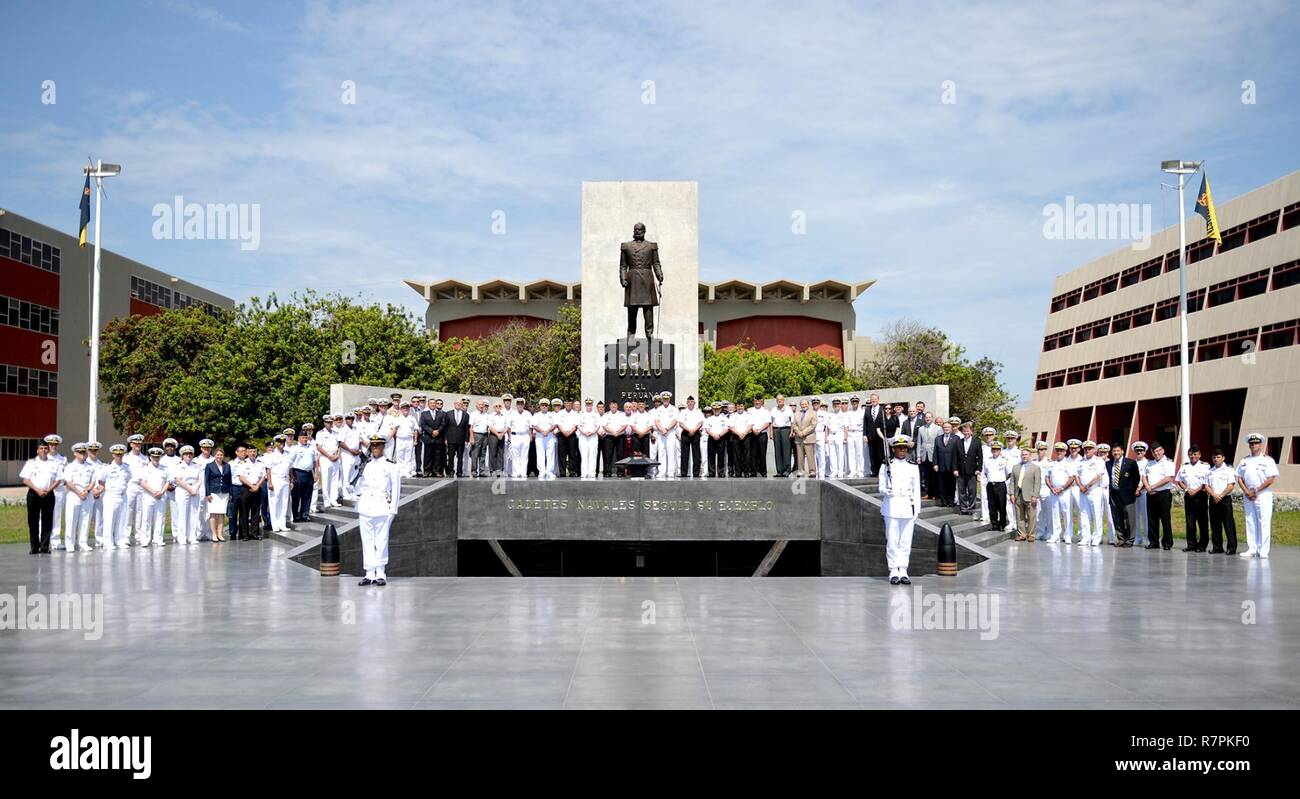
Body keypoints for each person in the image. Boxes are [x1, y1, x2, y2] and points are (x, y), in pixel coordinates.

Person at [355, 434, 402, 586]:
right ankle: (369, 572)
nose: (375, 448)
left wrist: (393, 510)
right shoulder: (367, 464)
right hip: (366, 505)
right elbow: (360, 485)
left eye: (378, 446)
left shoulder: (391, 465)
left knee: (381, 540)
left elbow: (396, 489)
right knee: (367, 541)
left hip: (382, 506)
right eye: (373, 446)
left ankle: (380, 572)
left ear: (383, 447)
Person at [880, 434, 921, 585]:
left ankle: (903, 569)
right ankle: (893, 570)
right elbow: (881, 486)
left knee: (905, 541)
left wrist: (917, 510)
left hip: (907, 507)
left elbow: (916, 490)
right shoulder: (886, 465)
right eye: (899, 448)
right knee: (892, 540)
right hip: (891, 506)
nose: (902, 450)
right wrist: (886, 491)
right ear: (893, 449)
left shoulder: (913, 466)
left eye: (904, 447)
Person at [1236, 432, 1278, 558]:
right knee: (1250, 520)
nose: (1254, 445)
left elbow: (1271, 479)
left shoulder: (1267, 460)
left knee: (1263, 521)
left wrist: (1256, 491)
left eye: (1256, 443)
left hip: (1263, 494)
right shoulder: (1244, 461)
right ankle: (1252, 548)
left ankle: (1263, 550)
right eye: (1252, 443)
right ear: (1249, 445)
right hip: (1248, 494)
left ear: (1260, 444)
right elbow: (1239, 477)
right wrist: (1246, 491)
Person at [21, 440, 61, 554]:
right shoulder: (31, 463)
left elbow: (58, 479)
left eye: (45, 448)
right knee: (33, 521)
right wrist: (37, 490)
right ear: (37, 450)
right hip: (34, 494)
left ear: (48, 450)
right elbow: (25, 479)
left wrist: (49, 489)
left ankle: (44, 547)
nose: (44, 450)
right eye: (41, 448)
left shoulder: (54, 463)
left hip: (48, 494)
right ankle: (34, 547)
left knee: (47, 521)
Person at [1175, 444, 1211, 553]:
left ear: (1199, 455)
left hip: (1201, 495)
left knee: (1202, 521)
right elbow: (1179, 480)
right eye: (1191, 454)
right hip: (1189, 495)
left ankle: (1202, 545)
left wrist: (1197, 490)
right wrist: (1187, 489)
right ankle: (1191, 544)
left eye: (1195, 454)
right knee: (1190, 522)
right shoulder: (1184, 466)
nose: (1193, 456)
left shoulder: (1206, 466)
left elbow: (1207, 482)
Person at [61, 442, 96, 552]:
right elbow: (68, 481)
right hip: (73, 495)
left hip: (87, 496)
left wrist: (87, 490)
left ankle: (83, 543)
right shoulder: (70, 467)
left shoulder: (90, 467)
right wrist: (78, 492)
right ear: (75, 453)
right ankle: (70, 543)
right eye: (80, 452)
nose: (83, 454)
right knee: (71, 520)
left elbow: (93, 481)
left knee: (85, 520)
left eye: (84, 452)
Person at [96, 444, 132, 549]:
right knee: (109, 520)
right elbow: (101, 481)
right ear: (113, 455)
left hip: (123, 495)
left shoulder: (127, 468)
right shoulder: (107, 468)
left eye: (121, 454)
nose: (119, 456)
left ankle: (119, 540)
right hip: (111, 496)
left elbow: (128, 479)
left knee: (122, 519)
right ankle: (108, 542)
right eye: (117, 454)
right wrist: (99, 491)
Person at [1106, 441, 1141, 547]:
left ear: (1122, 451)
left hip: (1127, 495)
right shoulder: (1109, 463)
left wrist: (1132, 490)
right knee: (1117, 517)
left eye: (1118, 450)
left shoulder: (1130, 463)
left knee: (1130, 518)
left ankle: (1130, 540)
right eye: (1114, 451)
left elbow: (1136, 478)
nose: (1116, 453)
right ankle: (1121, 538)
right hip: (1114, 494)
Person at [1142, 442, 1175, 551]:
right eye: (1154, 452)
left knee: (1165, 519)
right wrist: (1147, 487)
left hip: (1163, 494)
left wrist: (1153, 487)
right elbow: (1144, 476)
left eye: (1158, 451)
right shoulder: (1149, 463)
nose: (1156, 453)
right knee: (1151, 519)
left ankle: (1167, 543)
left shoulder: (1169, 462)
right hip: (1150, 494)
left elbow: (1168, 478)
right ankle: (1153, 542)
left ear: (1162, 451)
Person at [1206, 448, 1238, 555]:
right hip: (1213, 499)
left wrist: (1220, 495)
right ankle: (1217, 547)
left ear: (1223, 458)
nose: (1216, 459)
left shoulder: (1229, 470)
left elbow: (1231, 485)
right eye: (1214, 457)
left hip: (1224, 500)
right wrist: (1214, 495)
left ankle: (1232, 547)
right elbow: (1207, 486)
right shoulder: (1210, 471)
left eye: (1218, 457)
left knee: (1228, 524)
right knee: (1215, 525)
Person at [136, 447, 169, 547]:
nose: (156, 459)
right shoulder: (145, 468)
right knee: (146, 518)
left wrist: (162, 492)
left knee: (160, 518)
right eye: (154, 457)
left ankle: (158, 539)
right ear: (150, 457)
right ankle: (145, 539)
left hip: (161, 496)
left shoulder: (164, 468)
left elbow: (168, 481)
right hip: (148, 496)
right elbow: (142, 482)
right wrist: (153, 492)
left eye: (157, 457)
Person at [1077, 441, 1106, 546]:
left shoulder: (1099, 461)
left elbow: (1098, 476)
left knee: (1097, 514)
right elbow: (1077, 476)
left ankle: (1097, 537)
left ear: (1094, 450)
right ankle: (1086, 537)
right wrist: (1081, 486)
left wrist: (1087, 486)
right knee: (1084, 514)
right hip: (1083, 491)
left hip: (1094, 490)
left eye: (1090, 448)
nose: (1087, 450)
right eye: (1086, 449)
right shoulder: (1081, 461)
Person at [1043, 442, 1072, 543]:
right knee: (1054, 514)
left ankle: (1068, 535)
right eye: (1058, 450)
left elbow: (1072, 477)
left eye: (1061, 450)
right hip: (1054, 492)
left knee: (1066, 513)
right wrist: (1052, 488)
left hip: (1065, 492)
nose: (1059, 452)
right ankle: (1055, 535)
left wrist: (1062, 488)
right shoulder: (1051, 464)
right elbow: (1046, 477)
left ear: (1065, 452)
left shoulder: (1069, 463)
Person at [1010, 447, 1041, 542]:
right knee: (1020, 516)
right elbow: (1012, 481)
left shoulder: (1035, 468)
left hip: (1030, 496)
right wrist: (1011, 494)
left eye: (1026, 454)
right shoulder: (1015, 467)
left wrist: (1035, 495)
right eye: (1022, 454)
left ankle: (1031, 535)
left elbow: (1037, 483)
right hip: (1018, 494)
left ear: (1030, 456)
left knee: (1031, 516)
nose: (1024, 456)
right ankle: (1021, 534)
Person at [289, 428, 319, 523]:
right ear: (298, 438)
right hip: (298, 473)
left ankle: (305, 515)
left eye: (306, 438)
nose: (305, 439)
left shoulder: (311, 448)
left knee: (307, 495)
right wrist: (292, 476)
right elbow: (290, 463)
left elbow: (315, 462)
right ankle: (296, 515)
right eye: (303, 438)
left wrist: (316, 473)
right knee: (297, 496)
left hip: (308, 473)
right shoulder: (295, 448)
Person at [238, 445, 266, 541]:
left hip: (257, 488)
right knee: (244, 512)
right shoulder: (243, 463)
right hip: (246, 489)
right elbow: (241, 477)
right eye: (251, 451)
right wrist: (251, 486)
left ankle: (254, 533)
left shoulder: (261, 463)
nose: (253, 453)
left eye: (254, 451)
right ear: (247, 453)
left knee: (256, 512)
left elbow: (263, 476)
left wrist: (257, 485)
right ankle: (245, 535)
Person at [204, 448, 233, 543]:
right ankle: (214, 534)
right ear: (214, 455)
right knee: (213, 513)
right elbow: (206, 480)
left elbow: (229, 481)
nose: (219, 456)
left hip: (224, 493)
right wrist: (207, 493)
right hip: (213, 492)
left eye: (221, 455)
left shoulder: (227, 465)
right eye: (217, 455)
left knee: (221, 514)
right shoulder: (209, 466)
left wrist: (230, 493)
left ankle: (220, 534)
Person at [266, 435, 292, 532]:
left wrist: (291, 481)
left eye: (283, 441)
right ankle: (275, 525)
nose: (282, 444)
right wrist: (270, 482)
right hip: (275, 479)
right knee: (275, 502)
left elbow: (290, 468)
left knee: (284, 502)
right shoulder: (272, 455)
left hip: (285, 479)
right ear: (276, 443)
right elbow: (268, 469)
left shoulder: (287, 454)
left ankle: (282, 524)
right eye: (279, 442)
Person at [955, 422, 982, 515]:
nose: (966, 433)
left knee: (972, 490)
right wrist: (955, 469)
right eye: (964, 431)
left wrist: (979, 469)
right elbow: (955, 457)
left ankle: (971, 508)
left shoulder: (977, 442)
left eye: (968, 431)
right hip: (960, 470)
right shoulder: (959, 442)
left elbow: (980, 457)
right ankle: (963, 508)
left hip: (972, 471)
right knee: (961, 490)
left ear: (971, 432)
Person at [981, 440, 1008, 532]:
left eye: (997, 449)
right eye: (993, 449)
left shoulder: (1004, 460)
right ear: (991, 450)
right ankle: (994, 524)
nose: (995, 451)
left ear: (1000, 450)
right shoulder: (987, 460)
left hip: (1000, 485)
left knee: (1001, 506)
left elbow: (1008, 473)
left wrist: (1002, 481)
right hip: (990, 485)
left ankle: (1002, 524)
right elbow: (985, 472)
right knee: (991, 506)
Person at [932, 421, 959, 507]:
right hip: (941, 465)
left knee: (951, 485)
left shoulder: (956, 438)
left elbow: (958, 453)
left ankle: (951, 501)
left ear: (951, 429)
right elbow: (935, 452)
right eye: (945, 427)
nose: (946, 429)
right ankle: (943, 501)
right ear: (943, 429)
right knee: (942, 485)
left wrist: (956, 467)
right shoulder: (938, 438)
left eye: (948, 427)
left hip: (952, 466)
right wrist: (935, 464)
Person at [915, 413, 940, 499]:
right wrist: (918, 456)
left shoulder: (938, 428)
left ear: (932, 418)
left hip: (933, 454)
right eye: (926, 417)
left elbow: (939, 443)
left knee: (934, 476)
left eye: (929, 417)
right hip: (924, 455)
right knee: (926, 476)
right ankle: (929, 493)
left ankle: (935, 494)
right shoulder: (921, 429)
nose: (928, 418)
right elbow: (919, 443)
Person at [679, 396, 704, 478]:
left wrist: (693, 430)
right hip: (686, 433)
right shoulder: (683, 412)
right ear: (687, 403)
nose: (690, 403)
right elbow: (681, 423)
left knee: (696, 454)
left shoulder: (698, 412)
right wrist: (689, 430)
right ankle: (683, 473)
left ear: (694, 403)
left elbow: (700, 423)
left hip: (695, 433)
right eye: (689, 402)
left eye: (692, 402)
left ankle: (696, 473)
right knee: (684, 454)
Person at [791, 399, 815, 478]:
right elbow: (794, 425)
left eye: (805, 404)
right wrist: (799, 432)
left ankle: (812, 471)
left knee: (810, 456)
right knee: (800, 456)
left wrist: (803, 433)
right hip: (799, 438)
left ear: (808, 405)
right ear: (800, 405)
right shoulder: (797, 414)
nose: (804, 405)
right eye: (802, 404)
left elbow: (813, 425)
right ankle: (801, 470)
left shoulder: (813, 413)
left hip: (808, 437)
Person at [1132, 441, 1150, 546]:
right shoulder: (1131, 463)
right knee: (1135, 516)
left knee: (1146, 516)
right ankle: (1137, 537)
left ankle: (1148, 538)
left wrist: (1140, 489)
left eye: (1141, 450)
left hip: (1144, 492)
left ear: (1145, 451)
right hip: (1134, 493)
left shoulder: (1149, 463)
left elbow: (1147, 478)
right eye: (1137, 450)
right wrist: (1134, 490)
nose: (1139, 452)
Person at [747, 396, 770, 478]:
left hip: (762, 434)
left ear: (762, 401)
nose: (757, 402)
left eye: (759, 401)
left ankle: (763, 471)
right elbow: (748, 422)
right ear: (753, 401)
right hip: (752, 434)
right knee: (753, 454)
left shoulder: (766, 411)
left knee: (762, 453)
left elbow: (767, 422)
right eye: (756, 401)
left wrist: (759, 430)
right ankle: (753, 471)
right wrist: (753, 430)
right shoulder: (749, 411)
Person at [863, 394, 885, 476]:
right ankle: (874, 471)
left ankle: (880, 471)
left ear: (878, 400)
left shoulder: (882, 409)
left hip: (879, 436)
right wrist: (864, 434)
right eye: (872, 399)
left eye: (875, 399)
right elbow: (865, 422)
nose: (873, 400)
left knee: (880, 454)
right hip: (870, 436)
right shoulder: (867, 410)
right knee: (872, 454)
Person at [468, 399, 490, 478]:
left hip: (485, 435)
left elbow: (488, 427)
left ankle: (482, 471)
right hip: (476, 435)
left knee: (483, 454)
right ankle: (474, 471)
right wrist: (472, 438)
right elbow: (471, 427)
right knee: (475, 454)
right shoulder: (473, 414)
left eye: (482, 405)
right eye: (480, 404)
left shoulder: (486, 415)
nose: (481, 406)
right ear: (476, 405)